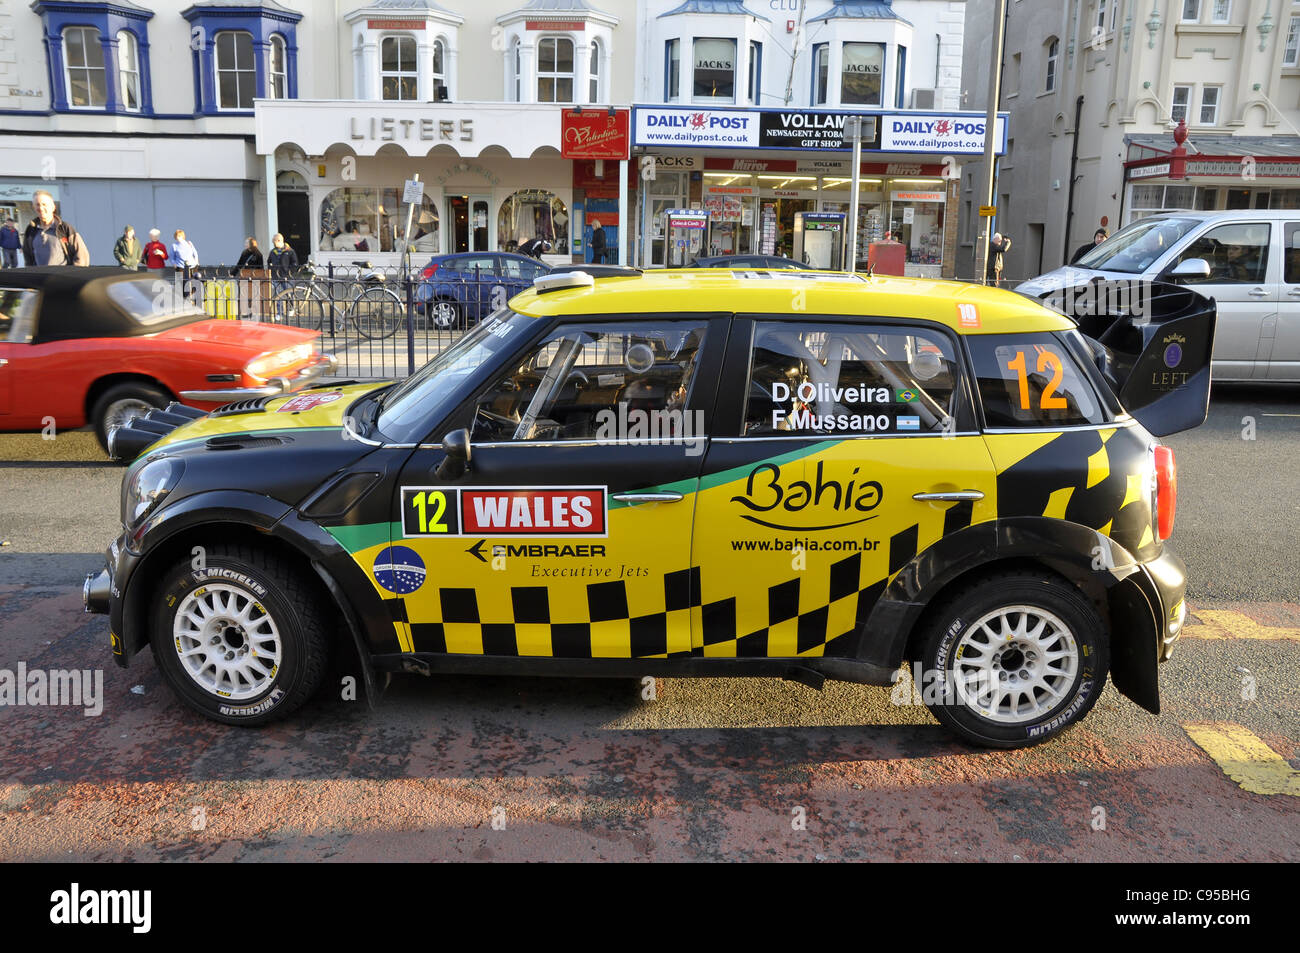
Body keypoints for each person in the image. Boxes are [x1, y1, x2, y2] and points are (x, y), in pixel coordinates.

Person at [22, 190, 89, 266]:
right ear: (34, 207)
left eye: (44, 204)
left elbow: (81, 256)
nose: (41, 208)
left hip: (62, 277)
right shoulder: (31, 230)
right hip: (39, 277)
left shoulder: (65, 229)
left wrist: (74, 275)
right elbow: (28, 258)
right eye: (37, 205)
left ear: (53, 207)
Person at [266, 232, 299, 296]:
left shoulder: (290, 251)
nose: (273, 244)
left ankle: (291, 306)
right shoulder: (272, 252)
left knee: (289, 295)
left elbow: (295, 263)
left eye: (274, 242)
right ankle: (279, 306)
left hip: (287, 277)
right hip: (276, 276)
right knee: (278, 296)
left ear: (279, 240)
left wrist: (289, 272)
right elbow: (269, 262)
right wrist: (272, 271)